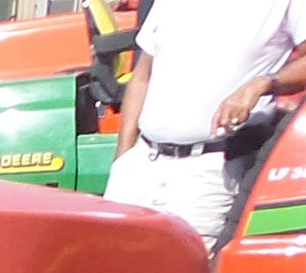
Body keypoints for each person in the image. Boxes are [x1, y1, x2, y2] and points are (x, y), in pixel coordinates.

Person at [105, 0, 306, 249]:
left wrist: (265, 83)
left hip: (210, 170)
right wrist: (123, 158)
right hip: (141, 163)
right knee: (112, 265)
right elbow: (142, 77)